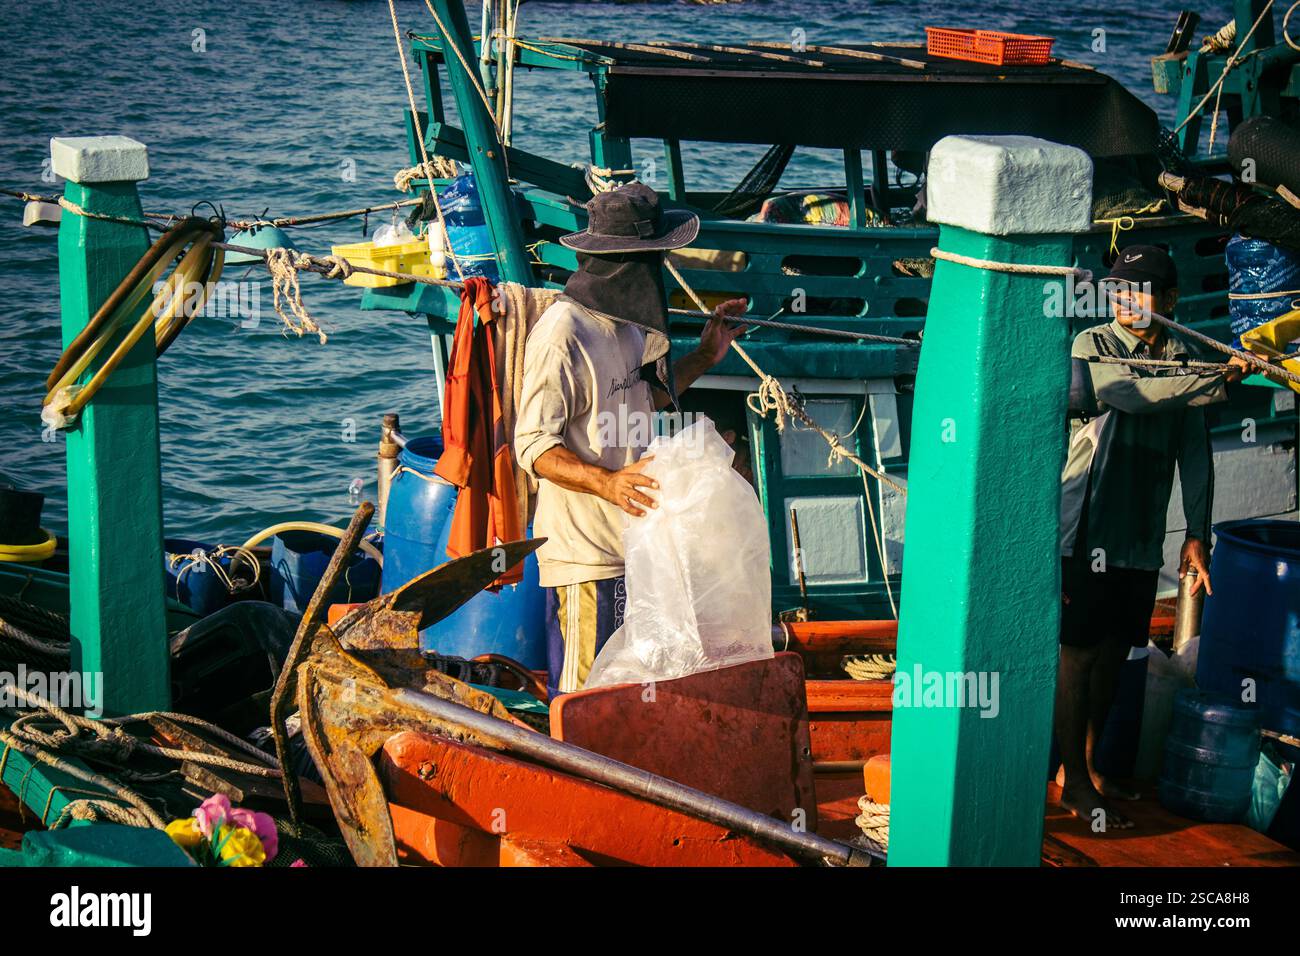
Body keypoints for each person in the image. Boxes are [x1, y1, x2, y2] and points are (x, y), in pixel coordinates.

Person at [514, 183, 747, 697]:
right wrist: (607, 483)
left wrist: (706, 355)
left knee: (627, 695)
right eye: (656, 256)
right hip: (584, 556)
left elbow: (646, 400)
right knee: (582, 701)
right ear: (628, 263)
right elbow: (532, 445)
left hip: (637, 550)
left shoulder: (629, 327)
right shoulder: (563, 332)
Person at [1055, 244, 1246, 829]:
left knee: (1118, 652)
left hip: (1140, 534)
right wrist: (1213, 382)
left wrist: (1197, 531)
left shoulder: (1186, 355)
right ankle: (1073, 781)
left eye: (1139, 290)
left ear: (1170, 300)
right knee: (1079, 653)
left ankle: (1089, 769)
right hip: (1087, 527)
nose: (1125, 300)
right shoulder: (1093, 346)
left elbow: (1194, 450)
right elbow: (1123, 393)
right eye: (1117, 289)